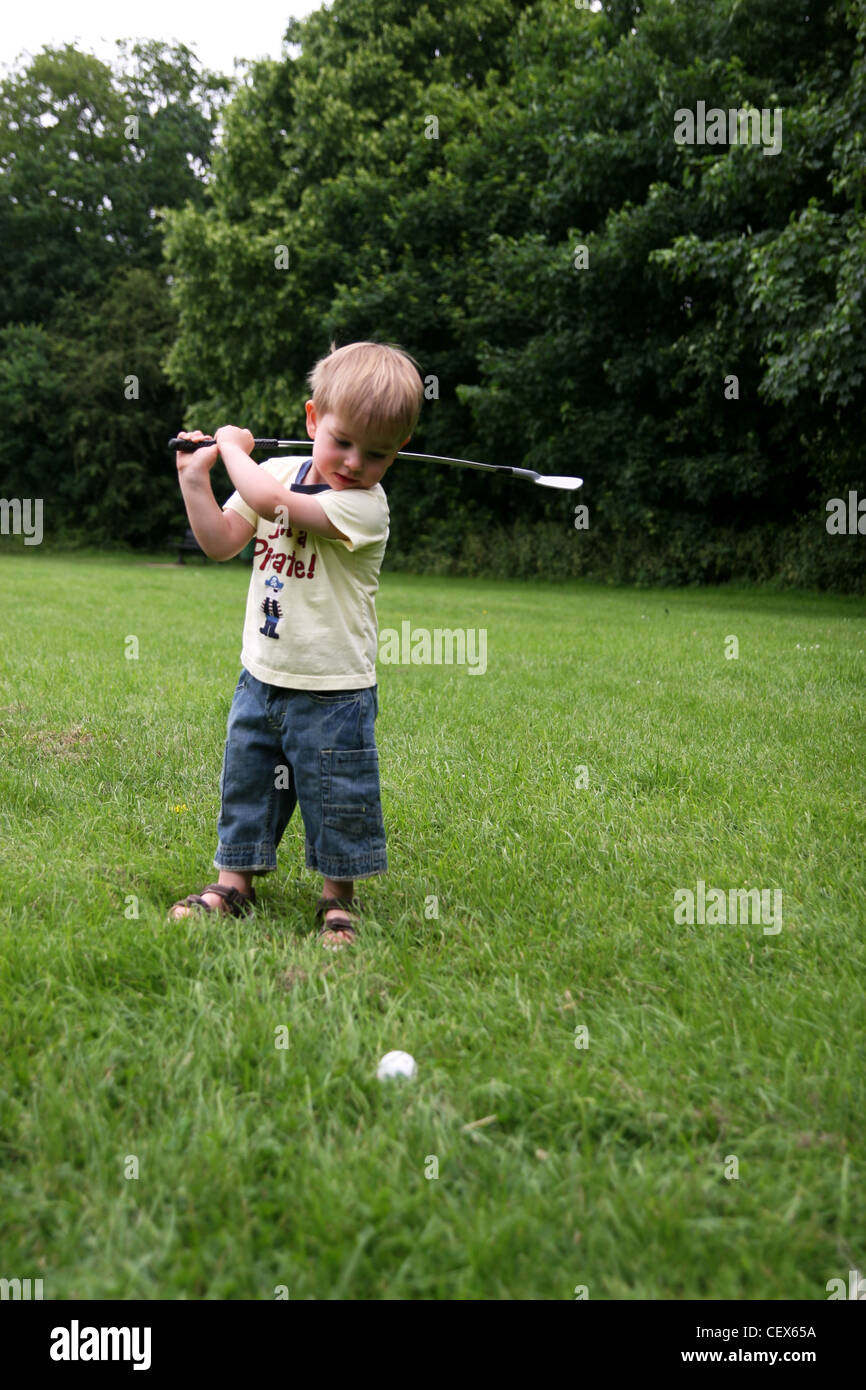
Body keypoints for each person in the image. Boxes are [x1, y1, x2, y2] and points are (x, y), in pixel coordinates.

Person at [169, 340, 425, 948]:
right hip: (261, 674)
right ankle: (234, 883)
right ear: (313, 420)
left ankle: (339, 901)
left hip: (334, 688)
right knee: (250, 781)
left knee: (338, 794)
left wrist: (231, 446)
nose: (355, 462)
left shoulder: (365, 507)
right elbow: (222, 540)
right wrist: (195, 478)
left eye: (378, 453)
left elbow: (273, 505)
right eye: (342, 441)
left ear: (396, 456)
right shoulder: (278, 470)